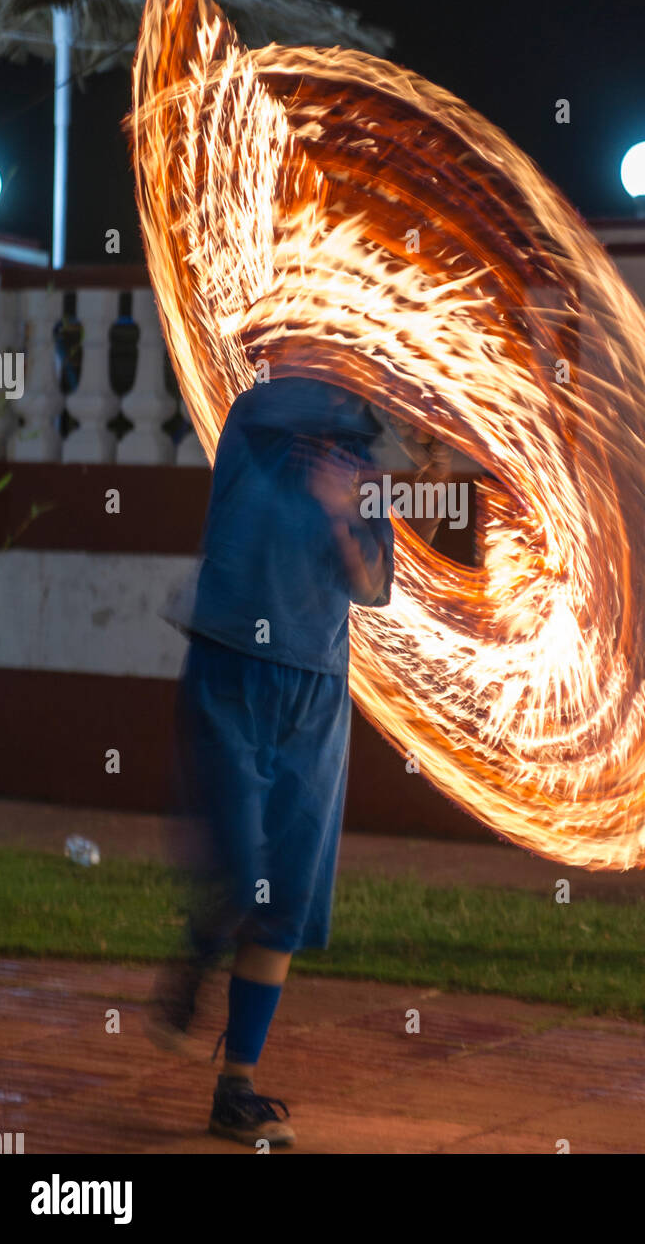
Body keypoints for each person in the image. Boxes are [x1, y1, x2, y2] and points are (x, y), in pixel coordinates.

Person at [148, 373, 449, 1148]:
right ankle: (195, 961)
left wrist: (348, 510)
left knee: (286, 894)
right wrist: (419, 426)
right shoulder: (258, 419)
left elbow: (372, 584)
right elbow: (346, 405)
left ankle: (235, 1090)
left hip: (316, 692)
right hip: (232, 669)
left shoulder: (367, 473)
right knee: (239, 859)